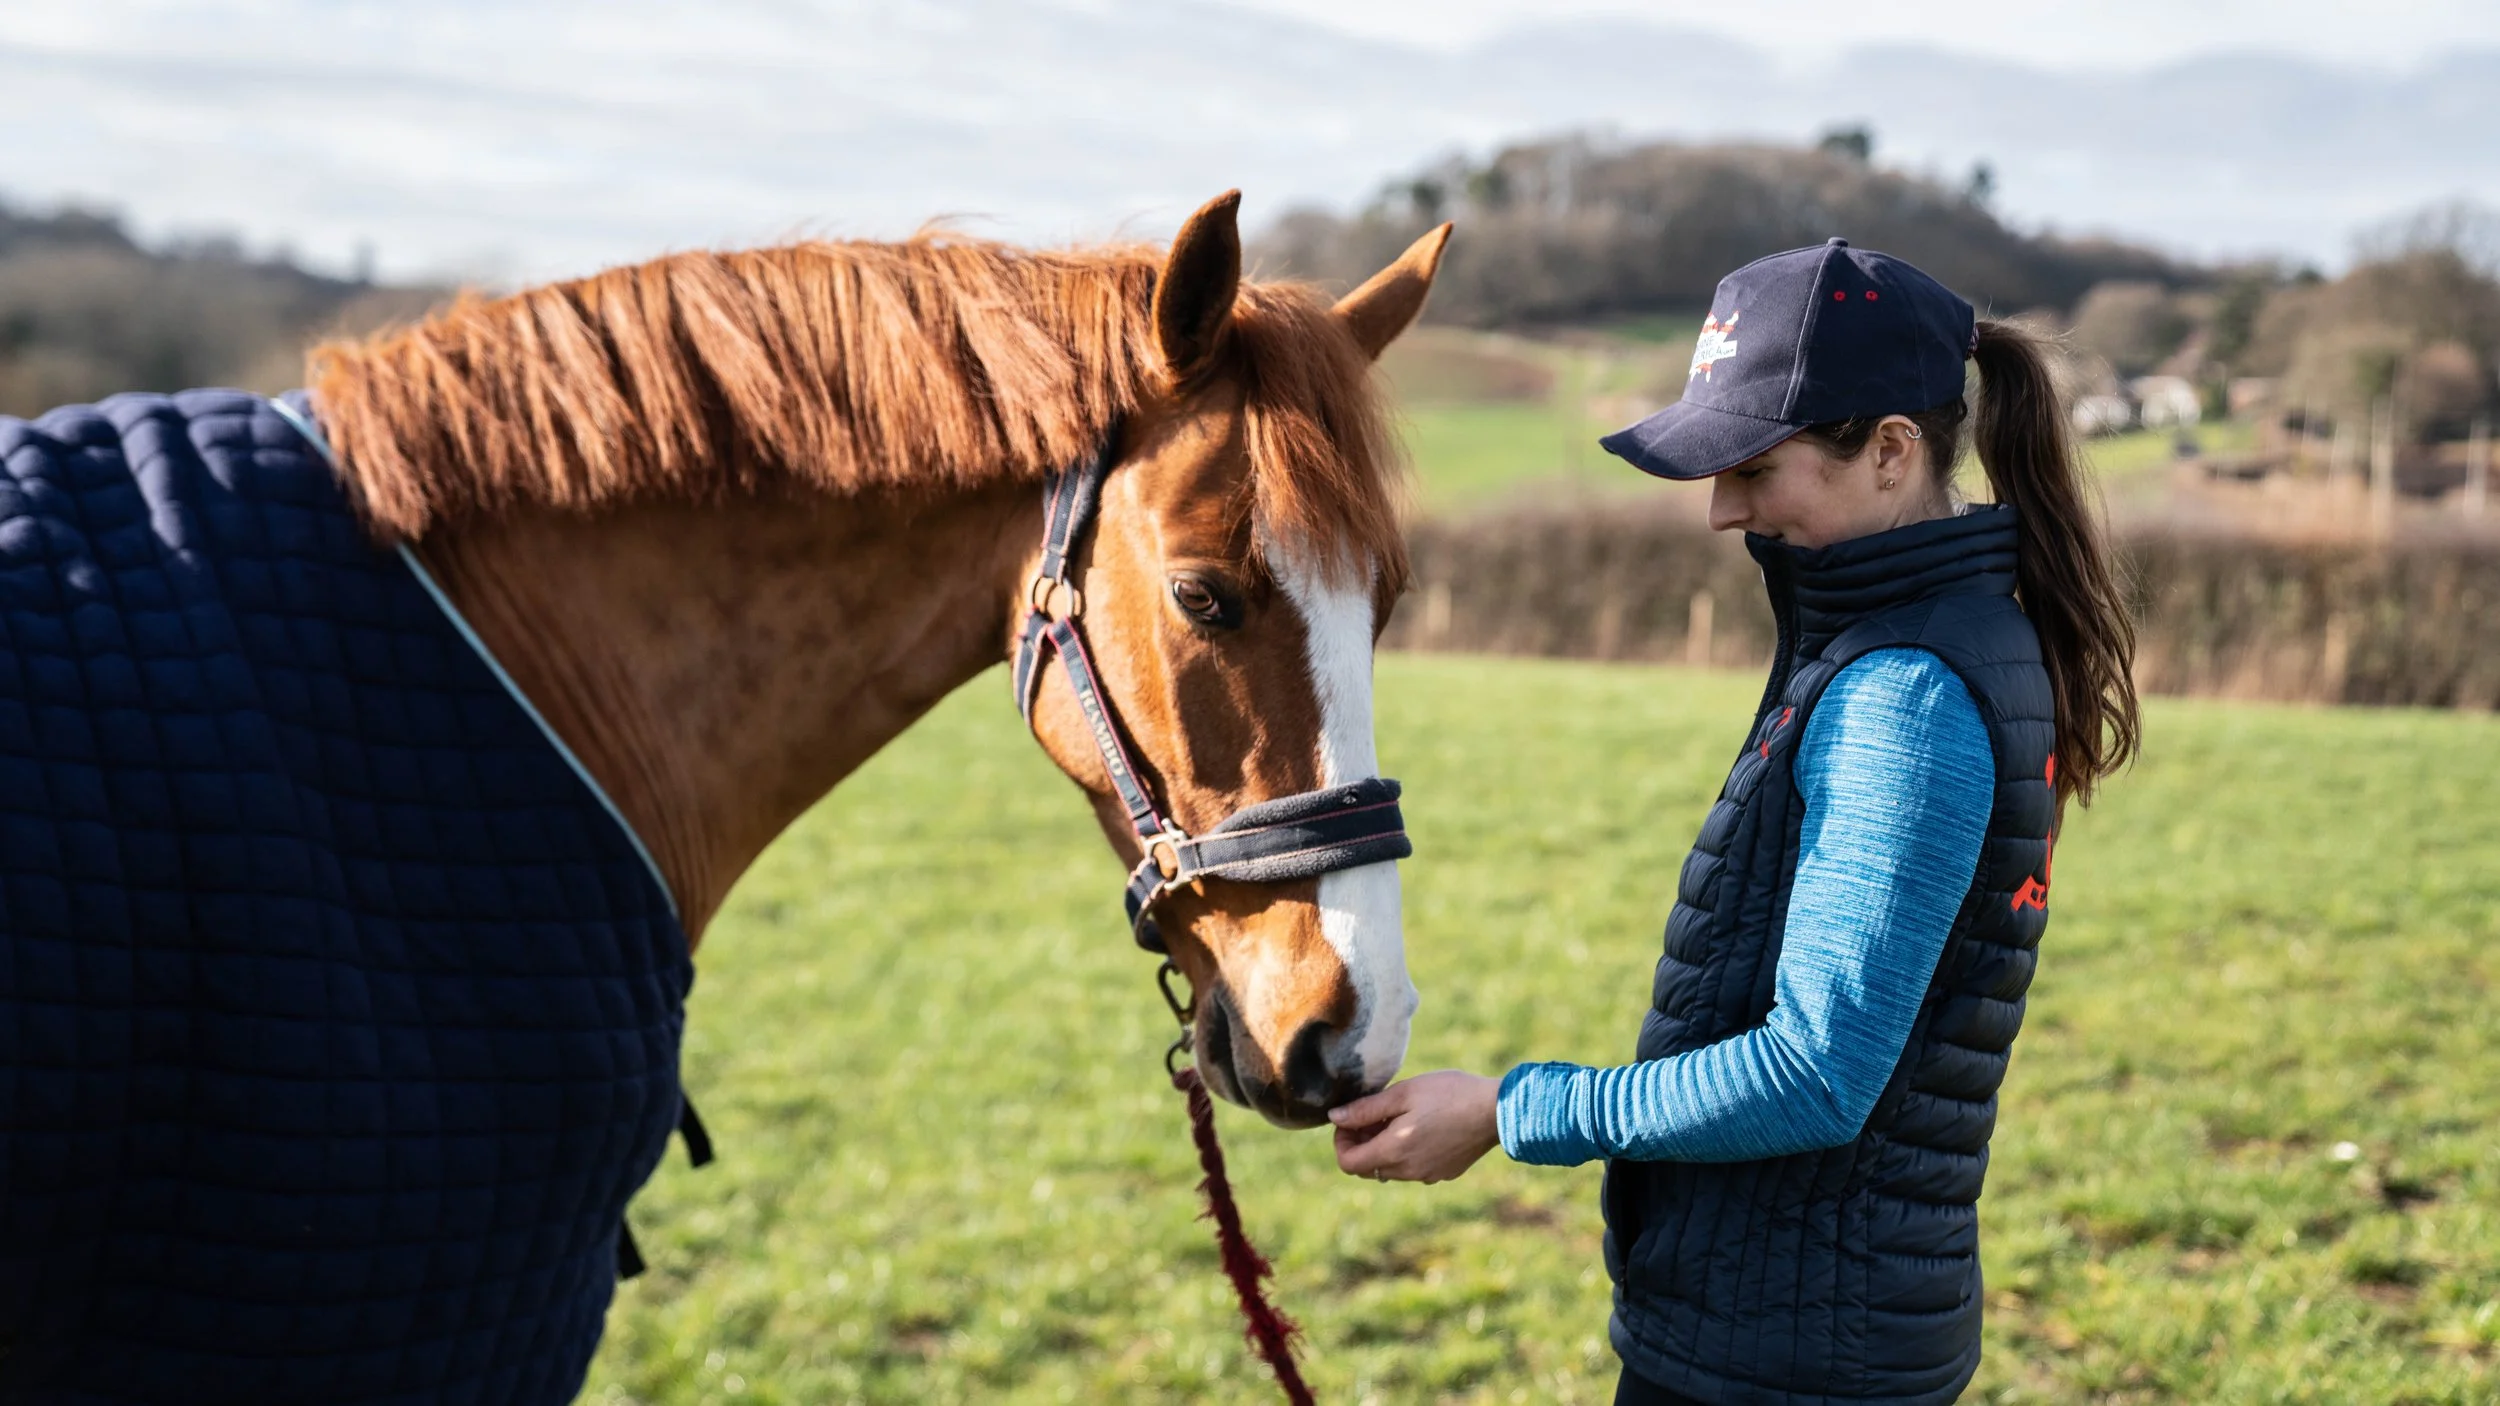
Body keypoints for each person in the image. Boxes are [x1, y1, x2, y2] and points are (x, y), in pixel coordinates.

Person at [1328, 239, 2141, 1405]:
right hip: (1794, 1326)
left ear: (1891, 454)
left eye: (1754, 468)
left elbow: (1814, 1072)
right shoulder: (1900, 643)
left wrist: (1511, 1109)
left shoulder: (1903, 694)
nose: (1721, 511)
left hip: (1790, 1360)